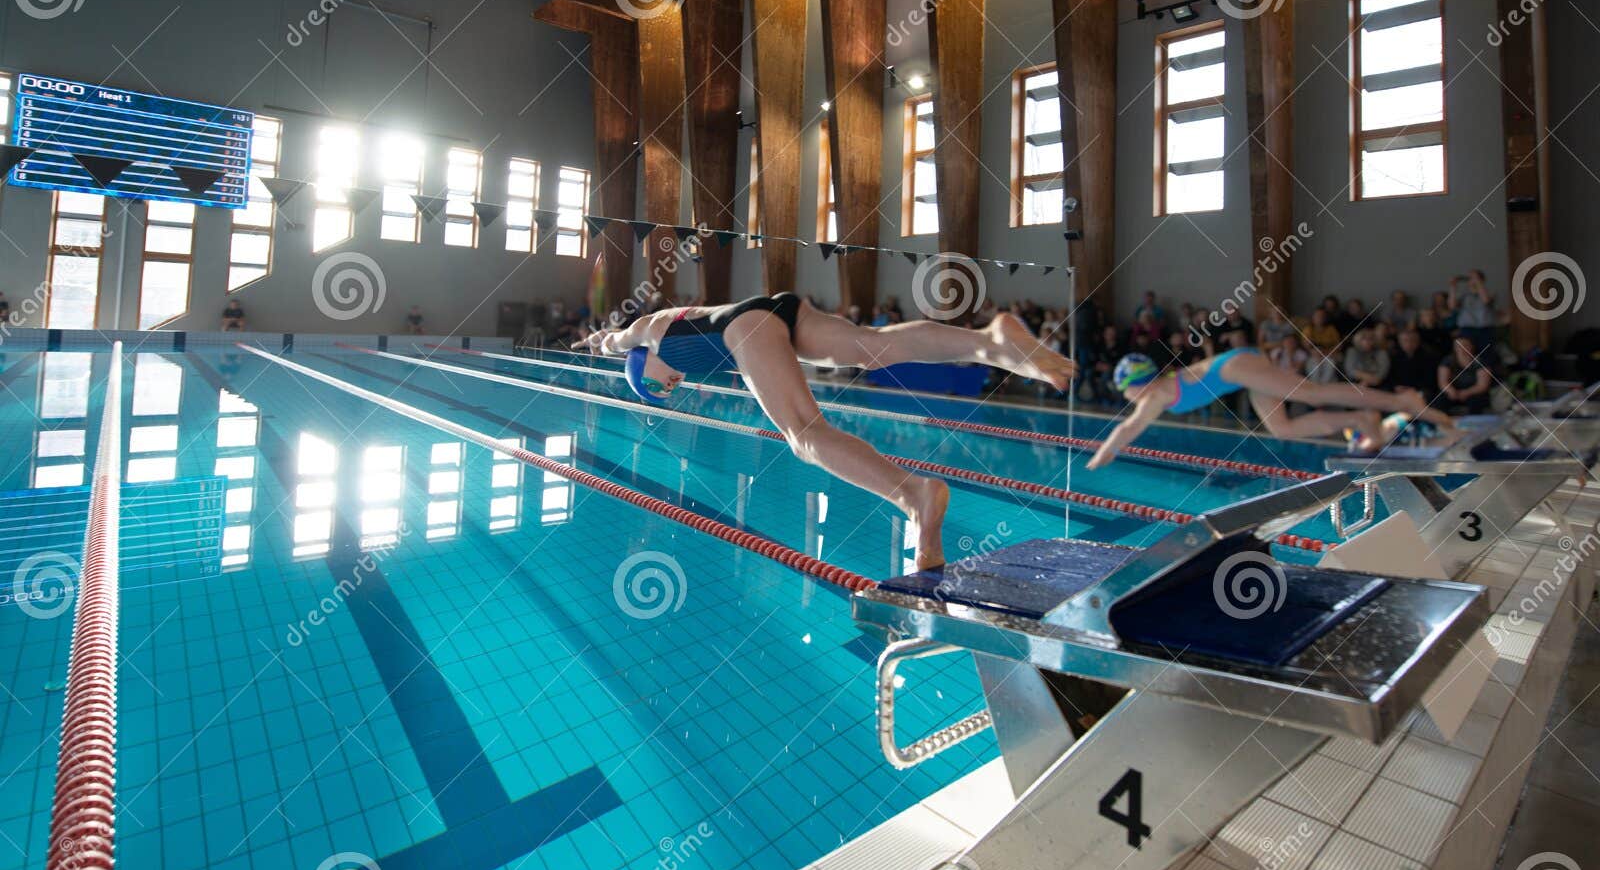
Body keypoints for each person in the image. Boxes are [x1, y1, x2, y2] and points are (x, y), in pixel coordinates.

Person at [579, 293, 1076, 569]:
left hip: (746, 328)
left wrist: (603, 342)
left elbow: (616, 338)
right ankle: (990, 342)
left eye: (660, 388)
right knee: (871, 345)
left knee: (803, 434)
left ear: (641, 371)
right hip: (773, 310)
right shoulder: (671, 329)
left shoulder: (644, 333)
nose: (670, 388)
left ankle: (914, 495)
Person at [1088, 345, 1452, 468]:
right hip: (1237, 371)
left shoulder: (1154, 395)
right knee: (1283, 428)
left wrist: (1101, 456)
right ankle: (1360, 417)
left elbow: (1128, 427)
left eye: (1126, 392)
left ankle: (1398, 401)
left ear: (1138, 384)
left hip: (1234, 367)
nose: (1127, 399)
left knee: (1310, 393)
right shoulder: (1157, 389)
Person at [1438, 335, 1493, 414]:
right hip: (1454, 391)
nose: (1461, 348)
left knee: (1476, 401)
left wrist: (1466, 393)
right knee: (1441, 399)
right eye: (1458, 346)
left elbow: (1482, 386)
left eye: (1465, 345)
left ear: (1471, 346)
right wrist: (1451, 391)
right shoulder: (1447, 361)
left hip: (1473, 392)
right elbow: (1443, 382)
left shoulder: (1480, 362)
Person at [1450, 270, 1498, 351]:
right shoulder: (1464, 294)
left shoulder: (1490, 292)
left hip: (1485, 329)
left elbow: (1486, 300)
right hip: (1467, 329)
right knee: (1467, 354)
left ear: (1482, 280)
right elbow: (1452, 306)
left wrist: (1478, 283)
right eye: (1470, 278)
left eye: (1475, 278)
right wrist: (1453, 286)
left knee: (1486, 354)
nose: (1471, 280)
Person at [1386, 326, 1439, 400]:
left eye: (1412, 340)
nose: (1409, 344)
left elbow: (1430, 380)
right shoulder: (1393, 357)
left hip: (1420, 390)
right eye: (1405, 341)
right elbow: (1390, 377)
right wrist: (1396, 386)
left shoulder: (1428, 357)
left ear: (1418, 341)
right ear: (1400, 342)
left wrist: (1413, 389)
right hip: (1399, 390)